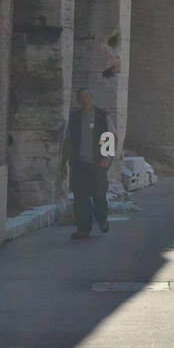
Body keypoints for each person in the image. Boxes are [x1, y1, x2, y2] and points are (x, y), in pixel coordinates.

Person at [61, 87, 115, 240]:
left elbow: (109, 135)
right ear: (78, 100)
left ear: (91, 97)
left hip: (97, 163)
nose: (83, 100)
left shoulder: (101, 116)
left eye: (86, 97)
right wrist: (64, 163)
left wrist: (107, 158)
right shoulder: (74, 118)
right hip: (79, 164)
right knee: (80, 197)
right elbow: (68, 141)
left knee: (98, 194)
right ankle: (83, 229)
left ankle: (102, 218)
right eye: (80, 98)